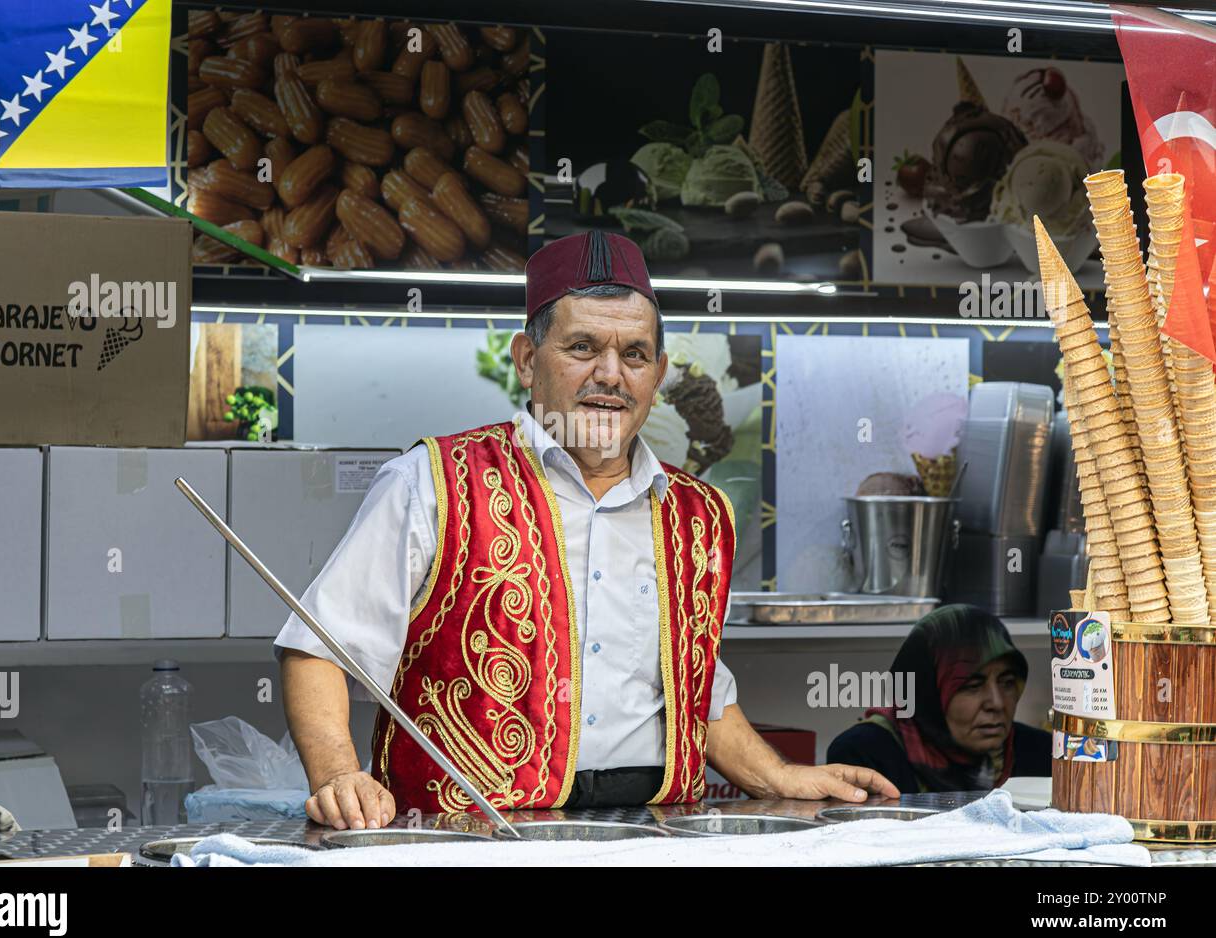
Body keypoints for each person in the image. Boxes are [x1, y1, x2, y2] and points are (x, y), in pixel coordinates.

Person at [276, 229, 898, 829]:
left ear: (656, 373)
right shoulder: (434, 482)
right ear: (526, 360)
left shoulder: (698, 513)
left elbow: (697, 697)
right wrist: (336, 775)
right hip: (474, 834)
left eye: (634, 354)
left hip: (654, 831)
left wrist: (777, 776)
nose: (610, 374)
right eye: (582, 348)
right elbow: (321, 645)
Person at [826, 604, 1051, 793]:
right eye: (972, 686)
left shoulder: (1041, 754)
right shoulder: (866, 756)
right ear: (928, 694)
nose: (997, 703)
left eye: (1007, 683)